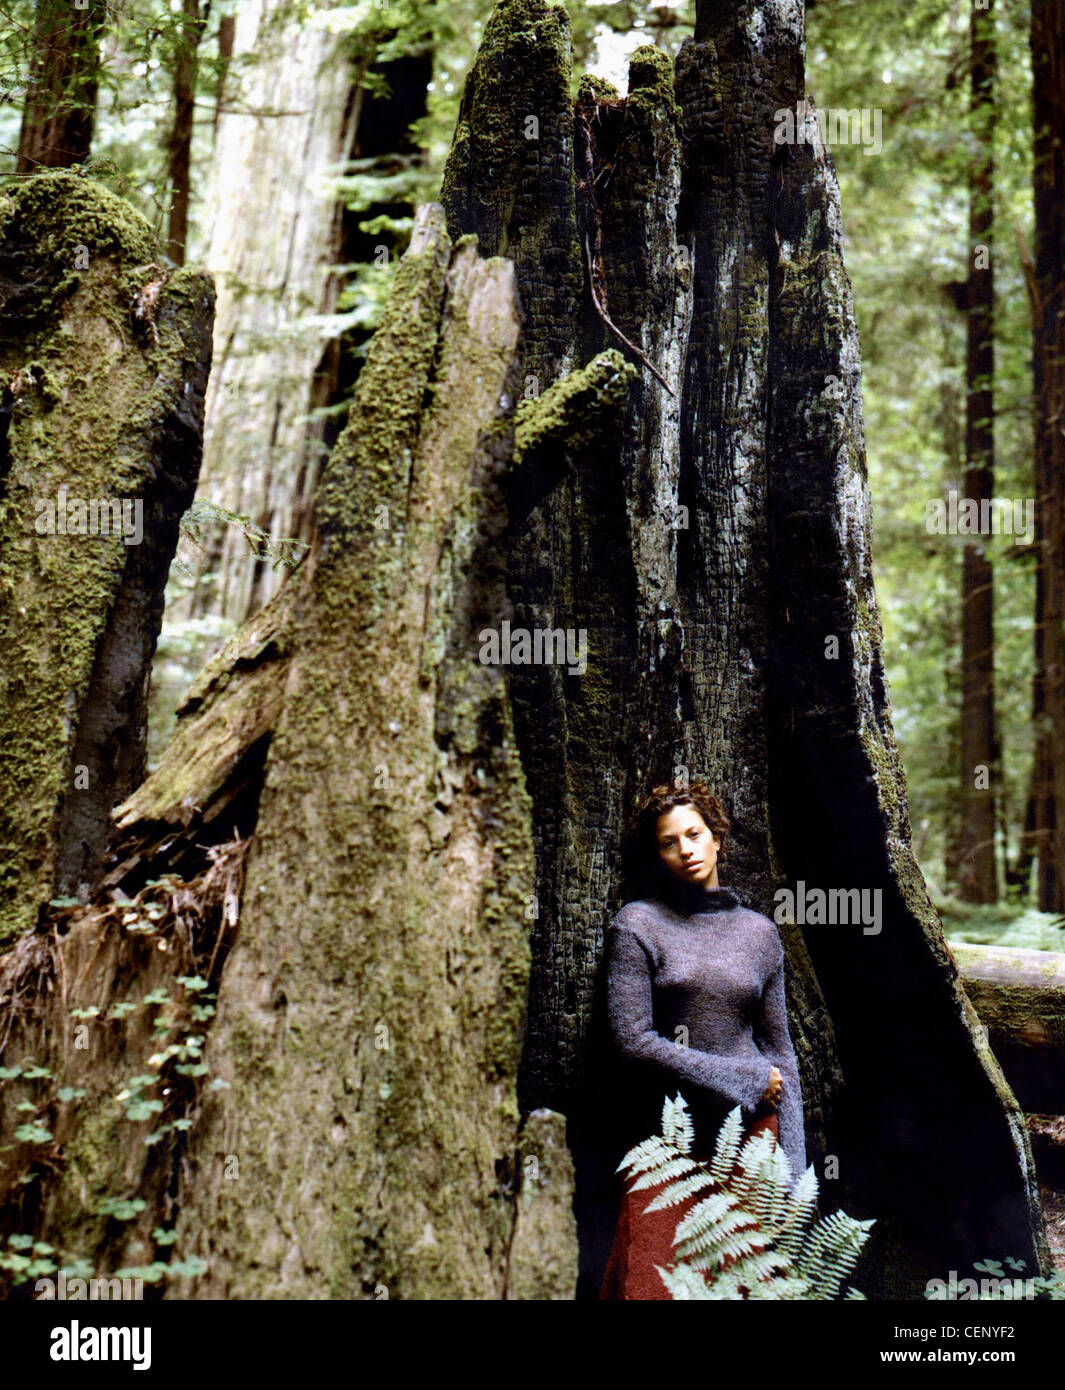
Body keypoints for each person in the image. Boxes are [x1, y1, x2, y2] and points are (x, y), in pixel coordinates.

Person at [598, 781, 806, 1300]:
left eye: (695, 834)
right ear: (658, 854)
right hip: (668, 1142)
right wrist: (743, 1077)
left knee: (749, 1288)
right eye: (670, 842)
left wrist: (796, 1173)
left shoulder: (759, 933)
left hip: (752, 1139)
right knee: (655, 1285)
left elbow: (781, 1053)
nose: (686, 849)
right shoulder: (638, 924)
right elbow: (633, 1040)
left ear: (718, 840)